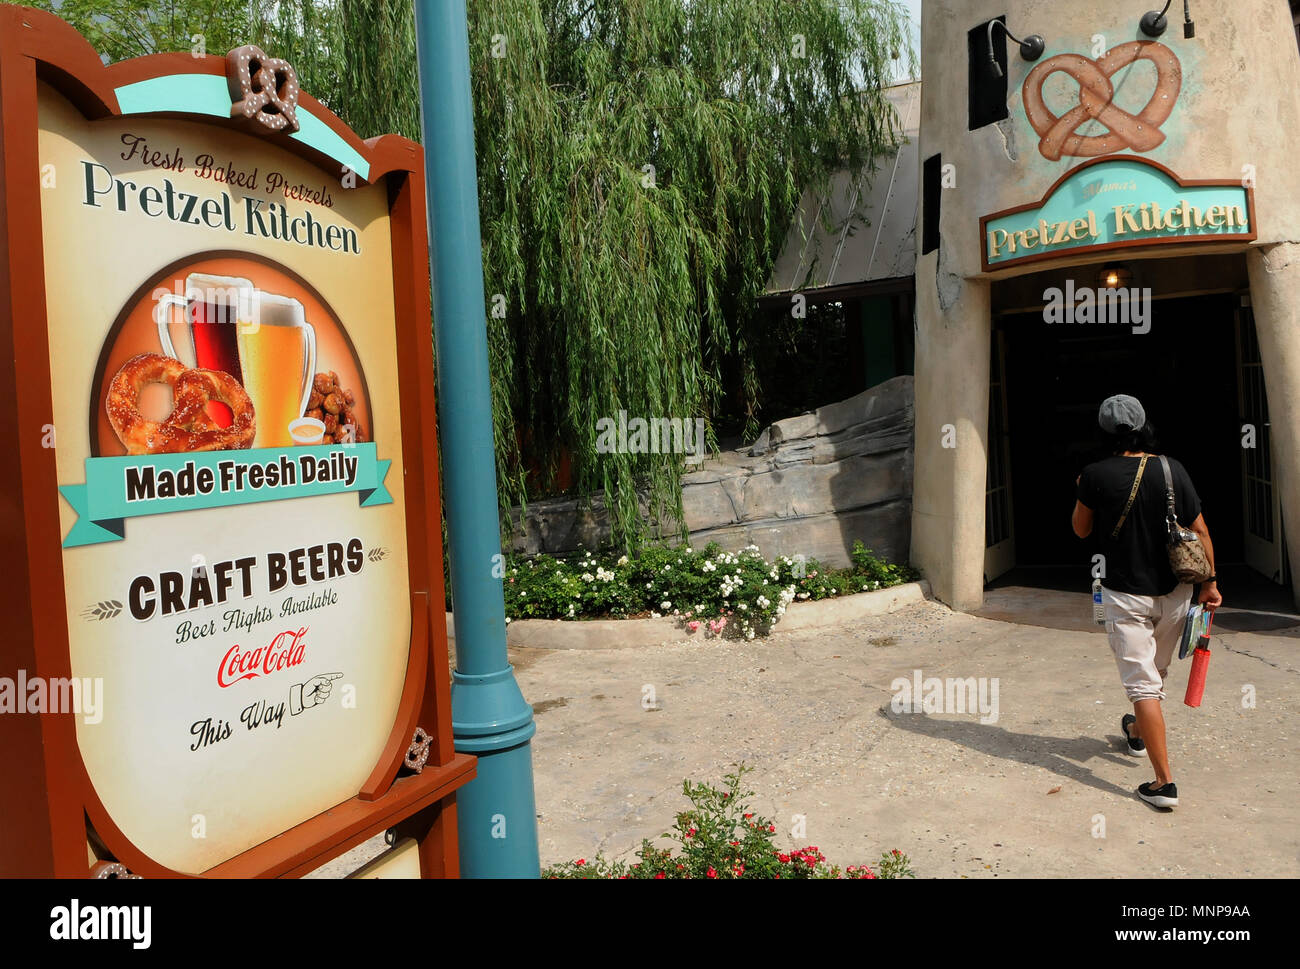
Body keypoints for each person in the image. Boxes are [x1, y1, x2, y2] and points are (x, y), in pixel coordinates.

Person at [1070, 395, 1222, 809]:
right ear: (1143, 426)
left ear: (1103, 432)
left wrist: (1084, 493)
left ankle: (1163, 784)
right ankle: (1137, 733)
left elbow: (1081, 531)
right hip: (1176, 592)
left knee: (1143, 685)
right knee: (1156, 675)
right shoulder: (1172, 469)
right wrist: (1209, 584)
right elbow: (1201, 531)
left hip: (1125, 595)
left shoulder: (1094, 475)